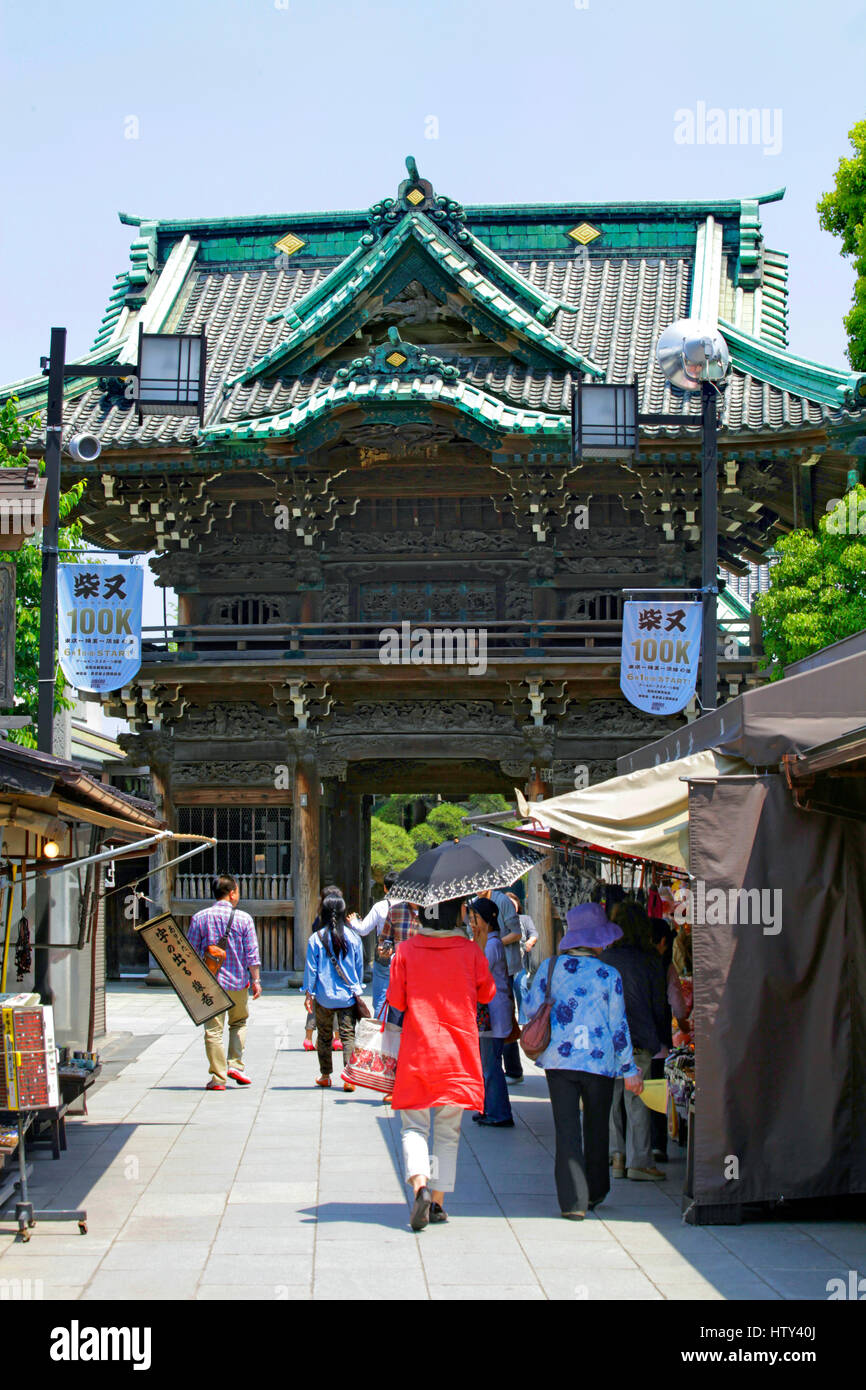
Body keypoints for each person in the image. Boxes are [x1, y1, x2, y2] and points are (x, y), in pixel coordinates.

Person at [523, 902, 643, 1219]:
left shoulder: (550, 967)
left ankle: (573, 1201)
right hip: (600, 1063)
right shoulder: (609, 974)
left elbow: (528, 1010)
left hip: (559, 1062)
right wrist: (629, 1068)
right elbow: (619, 1025)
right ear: (597, 938)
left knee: (566, 1129)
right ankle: (596, 1190)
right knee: (596, 1125)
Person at [386, 896, 496, 1230]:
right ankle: (436, 1202)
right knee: (448, 1132)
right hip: (457, 1054)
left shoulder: (405, 951)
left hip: (418, 1051)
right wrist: (475, 947)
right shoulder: (470, 951)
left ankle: (419, 1184)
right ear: (457, 913)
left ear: (422, 914)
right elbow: (487, 994)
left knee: (414, 1126)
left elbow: (396, 1000)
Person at [601, 901, 670, 1182]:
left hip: (608, 1040)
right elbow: (658, 1004)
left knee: (612, 1099)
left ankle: (616, 1156)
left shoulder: (605, 959)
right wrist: (660, 1039)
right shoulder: (651, 960)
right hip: (640, 1037)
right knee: (638, 1099)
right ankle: (639, 1161)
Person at [187, 874, 262, 1091]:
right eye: (237, 891)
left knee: (213, 1030)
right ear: (232, 893)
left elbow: (191, 953)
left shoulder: (200, 918)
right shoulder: (244, 919)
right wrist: (255, 980)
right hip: (238, 982)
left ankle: (218, 1078)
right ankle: (236, 1065)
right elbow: (252, 954)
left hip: (211, 984)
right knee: (238, 1023)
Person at [303, 892, 365, 1091]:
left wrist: (308, 994)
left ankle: (325, 1075)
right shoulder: (353, 938)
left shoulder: (316, 938)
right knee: (348, 1036)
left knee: (324, 1036)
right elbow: (359, 968)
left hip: (323, 996)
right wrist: (357, 987)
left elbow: (311, 970)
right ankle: (349, 1078)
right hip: (347, 996)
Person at [466, 897, 514, 1127]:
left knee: (491, 1065)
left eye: (475, 918)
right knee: (488, 1064)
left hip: (492, 1013)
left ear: (486, 920)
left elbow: (478, 973)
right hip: (491, 1012)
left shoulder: (492, 945)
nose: (471, 922)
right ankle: (489, 1107)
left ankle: (499, 1112)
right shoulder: (488, 943)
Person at [649, 918, 692, 1162]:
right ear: (664, 941)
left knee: (632, 1097)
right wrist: (684, 1023)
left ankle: (628, 1149)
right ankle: (657, 1145)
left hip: (632, 1041)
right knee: (655, 1094)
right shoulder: (665, 967)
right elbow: (678, 1005)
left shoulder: (634, 962)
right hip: (659, 1042)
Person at [354, 872, 421, 1022]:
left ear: (385, 888)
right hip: (408, 959)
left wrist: (353, 922)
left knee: (381, 997)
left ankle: (380, 1034)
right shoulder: (413, 910)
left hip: (386, 955)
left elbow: (364, 929)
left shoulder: (381, 907)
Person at [303, 884, 354, 1053]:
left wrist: (309, 990)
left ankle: (308, 1038)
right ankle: (338, 1038)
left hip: (321, 977)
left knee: (316, 1010)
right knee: (340, 1013)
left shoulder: (318, 924)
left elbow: (311, 966)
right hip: (341, 981)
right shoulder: (347, 932)